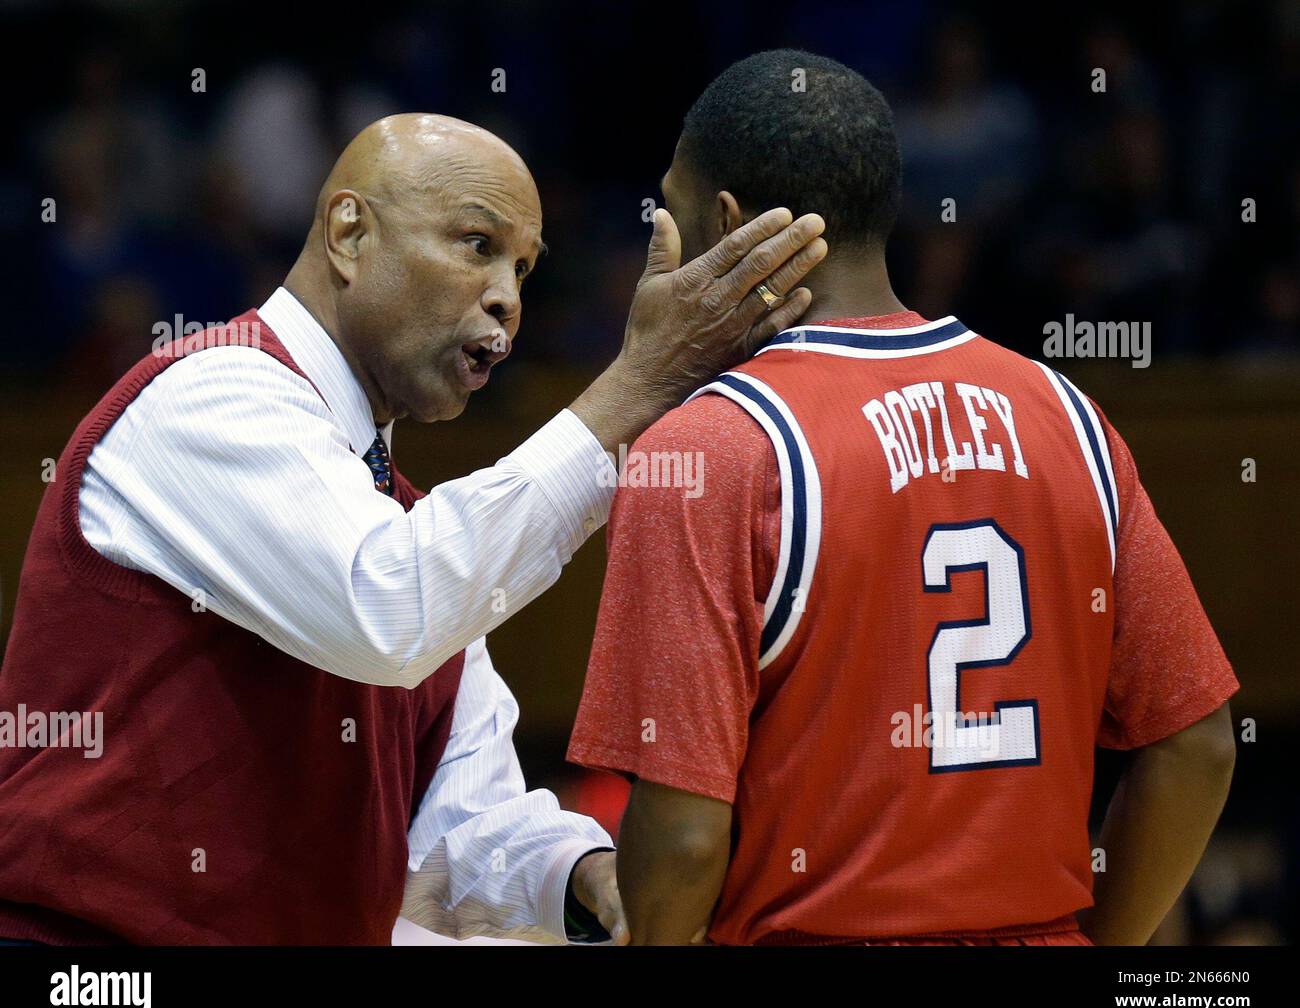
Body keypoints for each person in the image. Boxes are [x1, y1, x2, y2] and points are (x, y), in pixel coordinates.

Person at [0, 112, 827, 945]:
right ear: (350, 234)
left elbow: (463, 835)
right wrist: (637, 387)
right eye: (477, 244)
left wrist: (600, 882)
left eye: (524, 268)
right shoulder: (209, 397)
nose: (507, 294)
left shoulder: (404, 526)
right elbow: (390, 604)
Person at [566, 51, 1238, 946]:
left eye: (669, 212)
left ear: (727, 226)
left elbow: (686, 839)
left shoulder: (707, 451)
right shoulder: (1068, 416)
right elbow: (1197, 746)